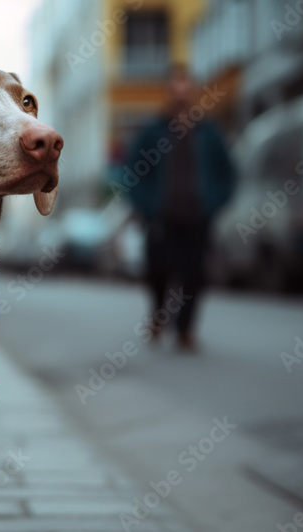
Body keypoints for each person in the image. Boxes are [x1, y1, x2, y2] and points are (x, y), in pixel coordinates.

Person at [126, 64, 235, 351]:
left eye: (186, 87)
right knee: (157, 271)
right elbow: (133, 173)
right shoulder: (152, 132)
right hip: (161, 218)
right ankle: (159, 314)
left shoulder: (209, 133)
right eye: (175, 88)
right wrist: (146, 206)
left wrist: (214, 204)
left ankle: (185, 330)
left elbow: (227, 173)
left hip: (198, 217)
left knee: (195, 274)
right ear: (168, 93)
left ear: (193, 92)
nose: (181, 94)